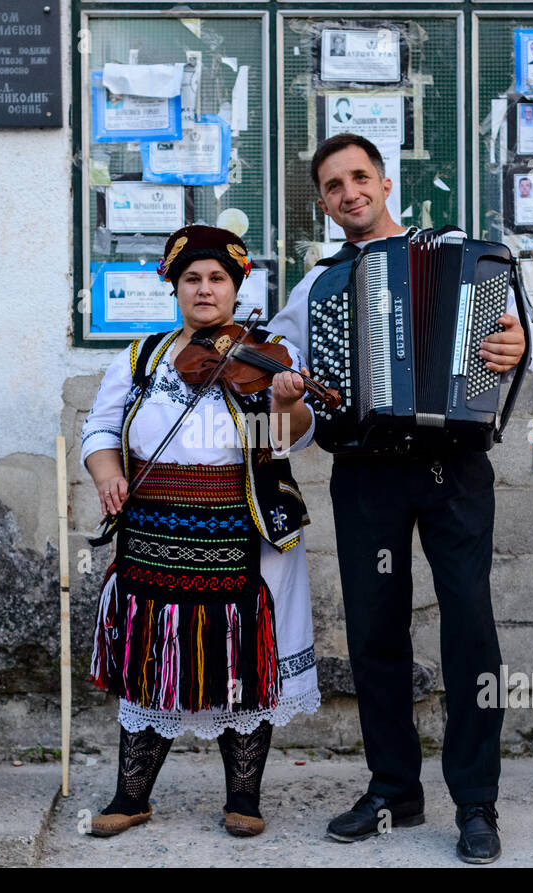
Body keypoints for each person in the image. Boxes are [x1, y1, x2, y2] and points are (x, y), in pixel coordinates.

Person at [266, 133, 533, 863]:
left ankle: (476, 802)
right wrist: (285, 390)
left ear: (386, 184)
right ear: (323, 203)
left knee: (470, 626)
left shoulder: (460, 252)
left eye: (360, 176)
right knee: (375, 631)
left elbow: (523, 337)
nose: (349, 191)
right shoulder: (315, 286)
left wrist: (517, 347)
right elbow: (282, 397)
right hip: (366, 472)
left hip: (452, 466)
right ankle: (394, 789)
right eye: (333, 185)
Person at [80, 224, 321, 839]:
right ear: (175, 287)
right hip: (155, 533)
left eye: (218, 278)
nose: (205, 289)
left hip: (242, 535)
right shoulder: (140, 359)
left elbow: (283, 441)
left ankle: (243, 797)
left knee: (244, 660)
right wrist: (108, 476)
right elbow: (101, 432)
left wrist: (288, 399)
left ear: (237, 287)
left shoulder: (265, 359)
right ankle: (130, 796)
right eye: (192, 278)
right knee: (151, 658)